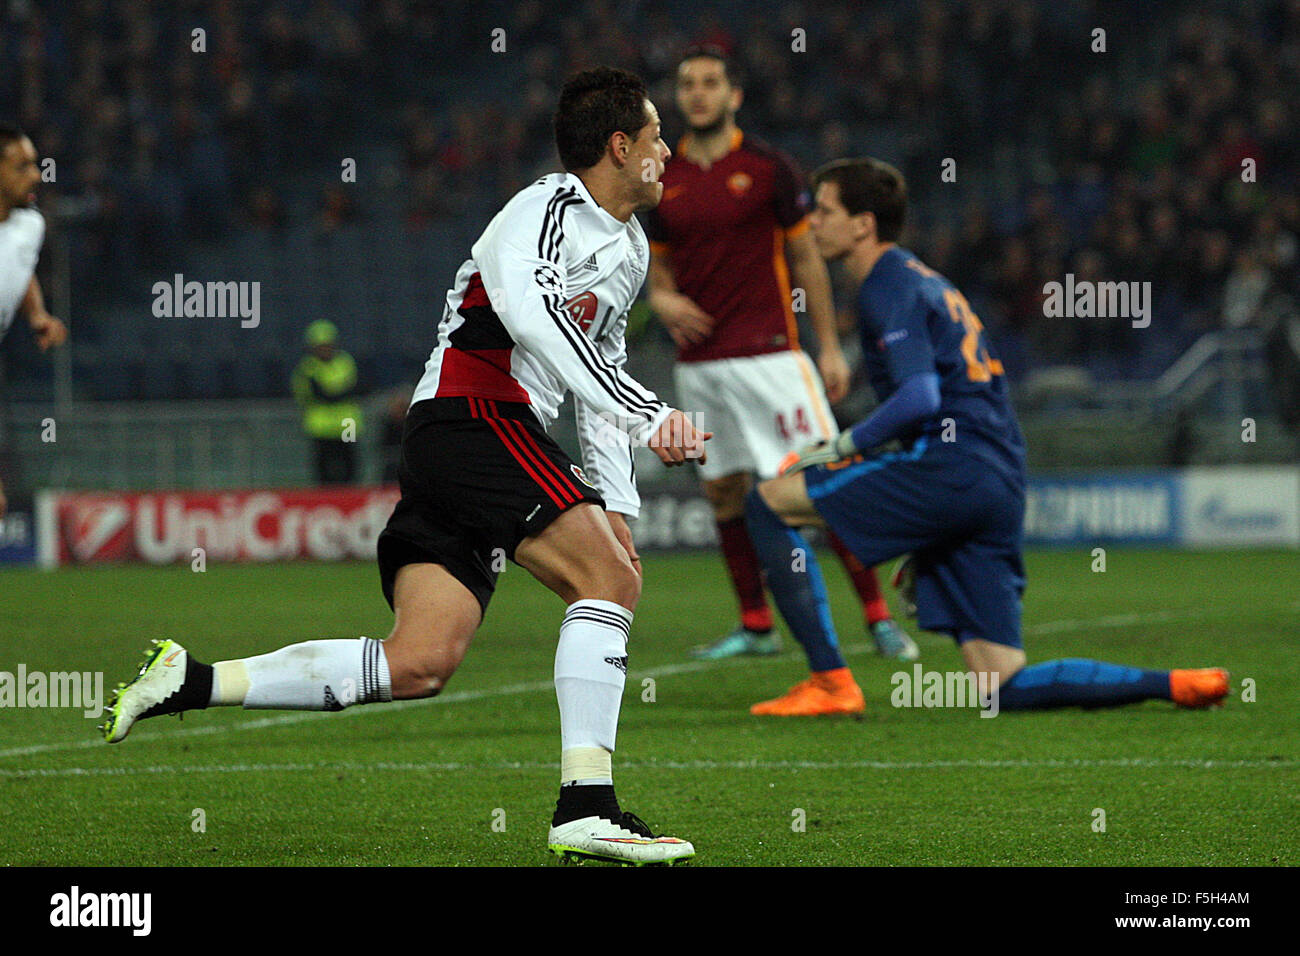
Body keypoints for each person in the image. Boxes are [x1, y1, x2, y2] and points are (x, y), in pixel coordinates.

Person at [100, 68, 708, 866]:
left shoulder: (628, 249)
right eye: (658, 136)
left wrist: (617, 504)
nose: (669, 150)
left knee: (420, 661)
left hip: (464, 437)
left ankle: (191, 681)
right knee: (609, 583)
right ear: (620, 146)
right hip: (475, 414)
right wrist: (652, 413)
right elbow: (540, 321)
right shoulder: (542, 210)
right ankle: (586, 807)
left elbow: (599, 378)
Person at [742, 157, 1228, 716]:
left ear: (863, 225)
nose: (811, 220)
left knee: (768, 504)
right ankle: (1178, 684)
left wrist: (843, 445)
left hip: (950, 466)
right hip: (997, 476)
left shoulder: (885, 286)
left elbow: (921, 398)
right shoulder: (925, 279)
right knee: (1003, 685)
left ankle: (830, 681)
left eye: (824, 209)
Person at [644, 47, 916, 662]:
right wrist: (662, 302)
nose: (698, 94)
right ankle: (757, 625)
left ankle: (876, 617)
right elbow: (658, 271)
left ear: (734, 95)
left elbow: (805, 260)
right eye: (688, 84)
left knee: (824, 481)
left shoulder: (770, 168)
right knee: (725, 494)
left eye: (711, 83)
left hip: (772, 357)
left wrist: (827, 348)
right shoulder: (666, 178)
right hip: (701, 366)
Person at [0, 124, 68, 520]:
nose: (37, 175)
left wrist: (37, 313)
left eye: (36, 164)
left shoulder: (31, 226)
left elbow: (20, 269)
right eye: (22, 166)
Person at [291, 320, 361, 485]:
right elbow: (318, 394)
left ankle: (350, 495)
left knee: (350, 462)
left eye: (328, 345)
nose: (325, 350)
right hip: (321, 426)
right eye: (321, 346)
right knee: (323, 465)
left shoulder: (345, 362)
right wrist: (337, 392)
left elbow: (352, 388)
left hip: (347, 423)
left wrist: (331, 392)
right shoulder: (307, 368)